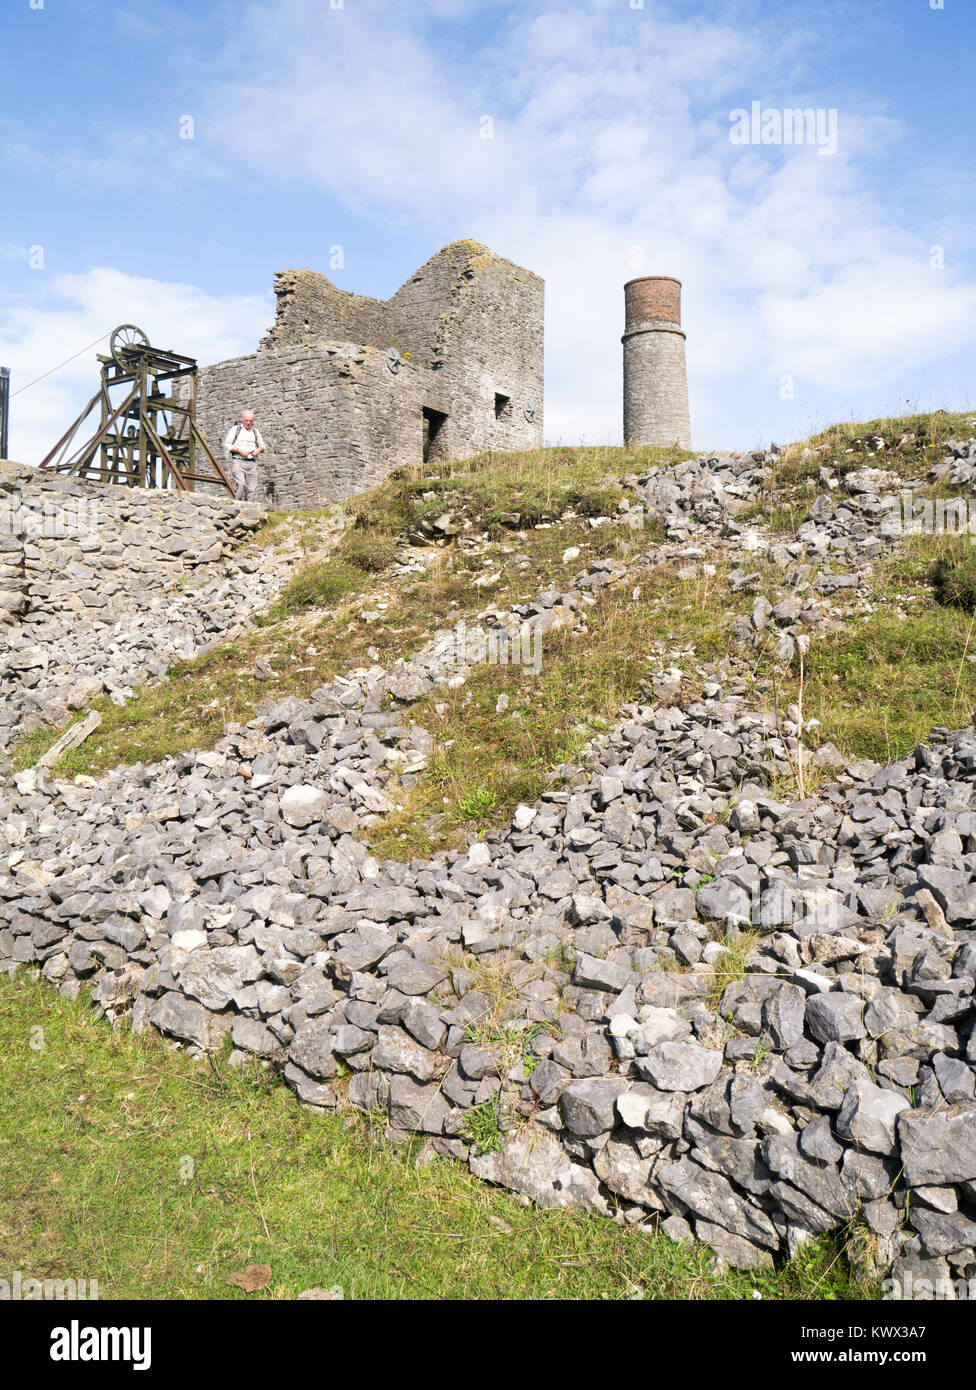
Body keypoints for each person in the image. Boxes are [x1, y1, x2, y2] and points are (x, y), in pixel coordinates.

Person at [223, 409, 267, 502]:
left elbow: (262, 446)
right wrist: (240, 451)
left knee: (252, 489)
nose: (248, 422)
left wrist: (257, 451)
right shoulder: (236, 429)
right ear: (242, 419)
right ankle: (236, 505)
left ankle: (249, 510)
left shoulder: (255, 431)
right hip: (238, 461)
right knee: (241, 485)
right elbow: (227, 444)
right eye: (246, 420)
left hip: (252, 462)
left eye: (250, 421)